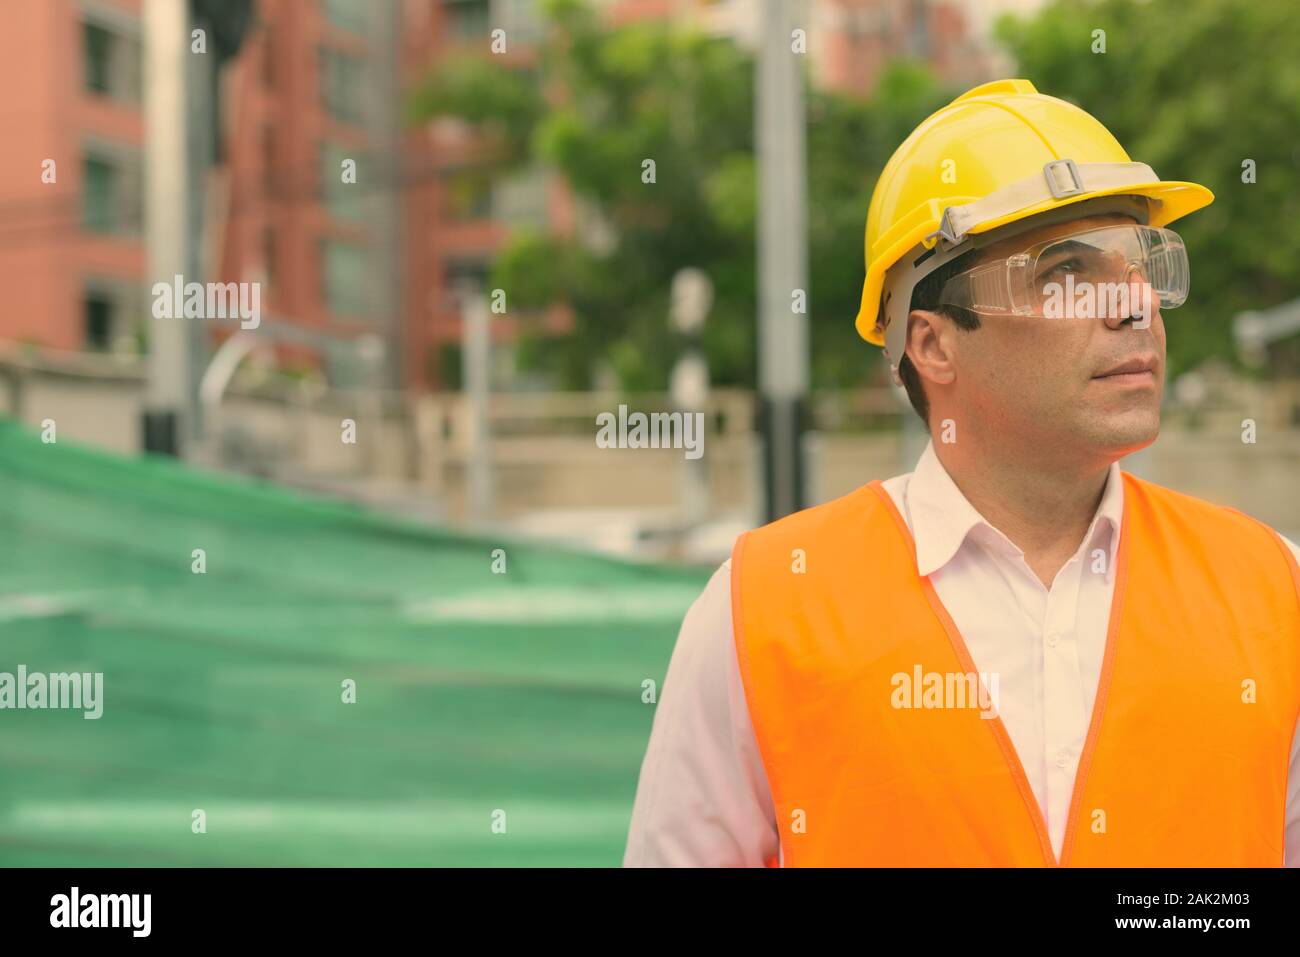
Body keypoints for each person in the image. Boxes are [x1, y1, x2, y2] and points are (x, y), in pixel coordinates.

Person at [623, 79, 1300, 867]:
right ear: (933, 344)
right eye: (1066, 274)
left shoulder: (1272, 588)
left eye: (1142, 266)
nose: (1134, 307)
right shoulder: (761, 612)